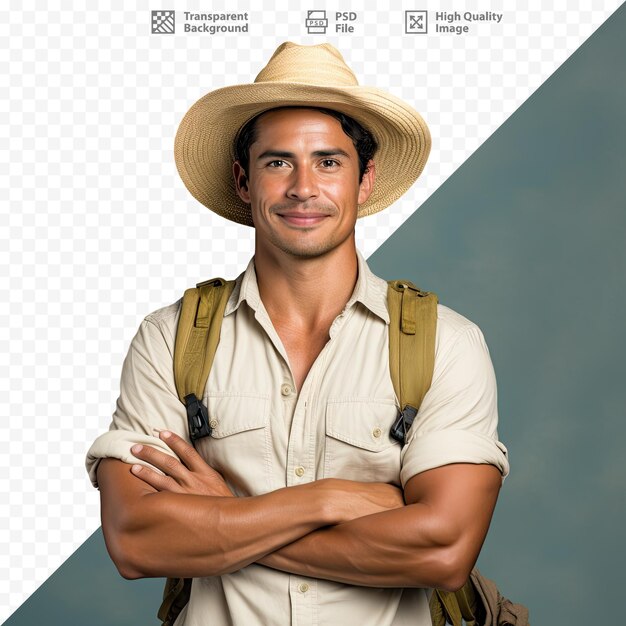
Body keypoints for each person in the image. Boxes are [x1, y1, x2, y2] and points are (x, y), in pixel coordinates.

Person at [86, 42, 510, 626]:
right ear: (243, 179)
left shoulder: (446, 344)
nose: (303, 187)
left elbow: (443, 550)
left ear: (365, 181)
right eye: (278, 162)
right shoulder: (170, 339)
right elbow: (136, 542)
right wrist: (328, 501)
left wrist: (229, 514)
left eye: (329, 162)